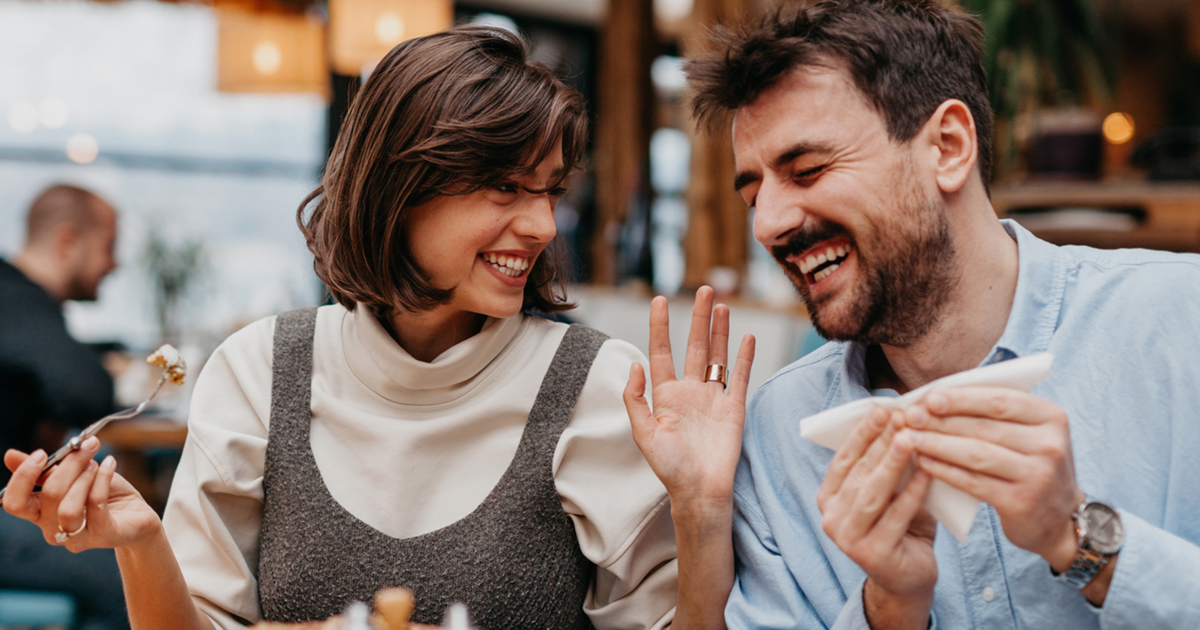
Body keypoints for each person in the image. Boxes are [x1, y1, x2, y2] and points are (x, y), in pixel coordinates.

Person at [3, 27, 688, 630]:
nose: (542, 225)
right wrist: (143, 544)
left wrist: (704, 508)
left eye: (551, 190)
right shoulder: (258, 369)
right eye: (505, 187)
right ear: (399, 188)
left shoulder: (597, 383)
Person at [626, 1, 1200, 629]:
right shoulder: (775, 438)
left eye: (809, 169)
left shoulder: (1180, 322)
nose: (768, 224)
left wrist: (1084, 541)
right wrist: (889, 608)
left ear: (948, 147)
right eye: (755, 194)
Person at [0, 183, 128, 630]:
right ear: (68, 242)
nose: (116, 263)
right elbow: (87, 390)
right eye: (109, 247)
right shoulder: (15, 299)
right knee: (133, 579)